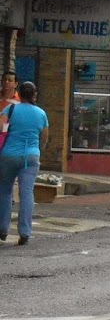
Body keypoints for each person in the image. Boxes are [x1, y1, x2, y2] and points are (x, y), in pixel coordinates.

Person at [0, 81, 48, 246]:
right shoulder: (41, 113)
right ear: (34, 94)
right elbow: (44, 138)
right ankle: (25, 232)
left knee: (5, 192)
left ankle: (2, 229)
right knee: (26, 193)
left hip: (9, 155)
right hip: (31, 157)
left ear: (19, 93)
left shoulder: (10, 109)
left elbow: (1, 128)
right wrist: (36, 149)